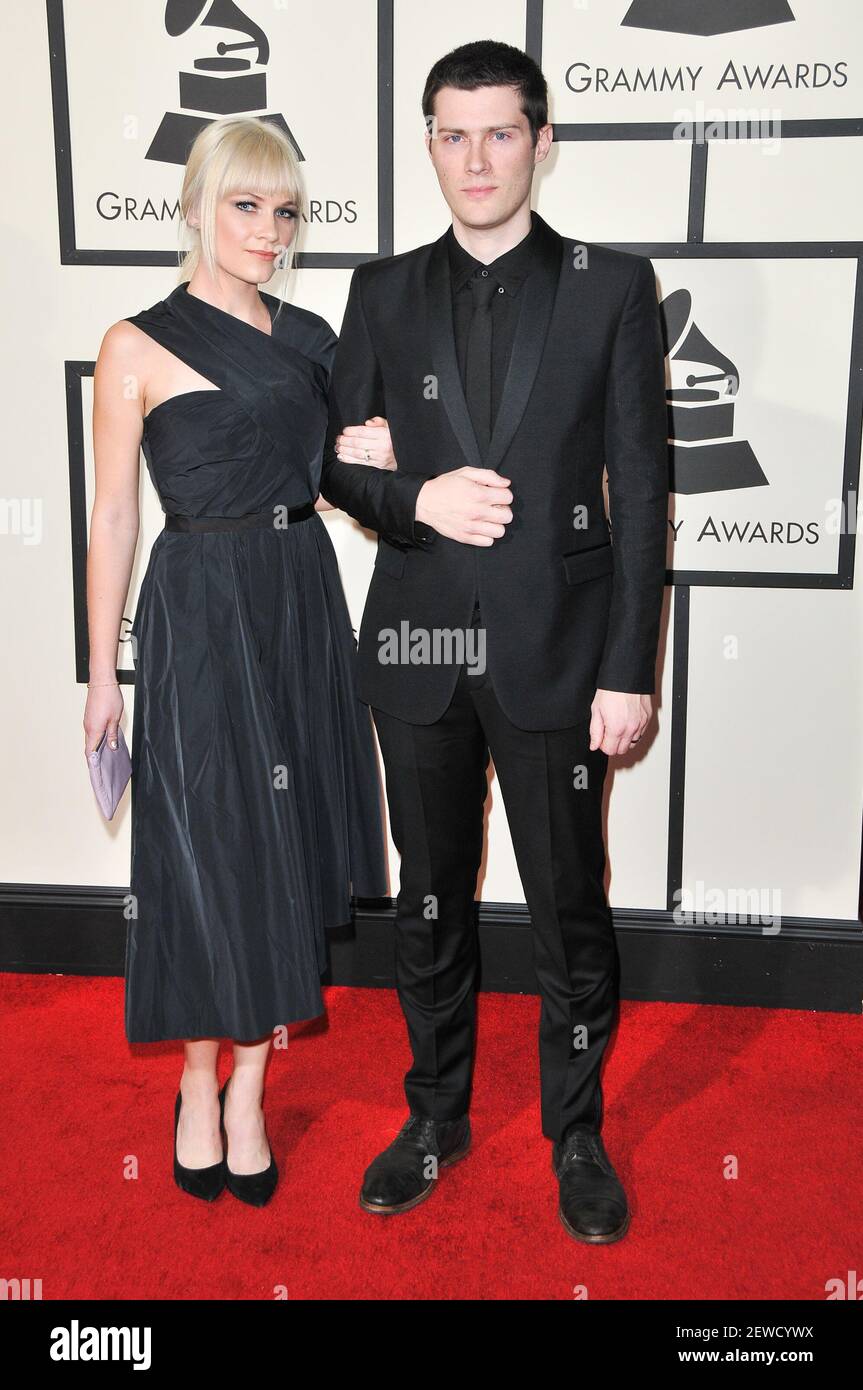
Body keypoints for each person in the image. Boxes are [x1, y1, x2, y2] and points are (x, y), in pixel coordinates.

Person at [317, 41, 669, 1243]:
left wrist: (630, 669)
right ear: (427, 145)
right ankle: (434, 1116)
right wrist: (409, 498)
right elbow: (329, 464)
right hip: (414, 652)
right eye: (451, 134)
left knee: (571, 906)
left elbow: (641, 491)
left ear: (541, 142)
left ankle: (575, 1131)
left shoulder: (609, 287)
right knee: (428, 900)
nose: (475, 158)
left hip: (562, 659)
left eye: (499, 132)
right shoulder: (378, 292)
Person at [84, 116, 393, 1207]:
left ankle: (253, 1087)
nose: (271, 230)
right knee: (206, 846)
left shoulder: (312, 338)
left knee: (286, 839)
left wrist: (364, 458)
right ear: (197, 207)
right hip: (197, 611)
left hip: (296, 599)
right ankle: (198, 1077)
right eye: (247, 206)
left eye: (287, 210)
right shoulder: (134, 344)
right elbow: (115, 516)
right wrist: (98, 677)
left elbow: (325, 483)